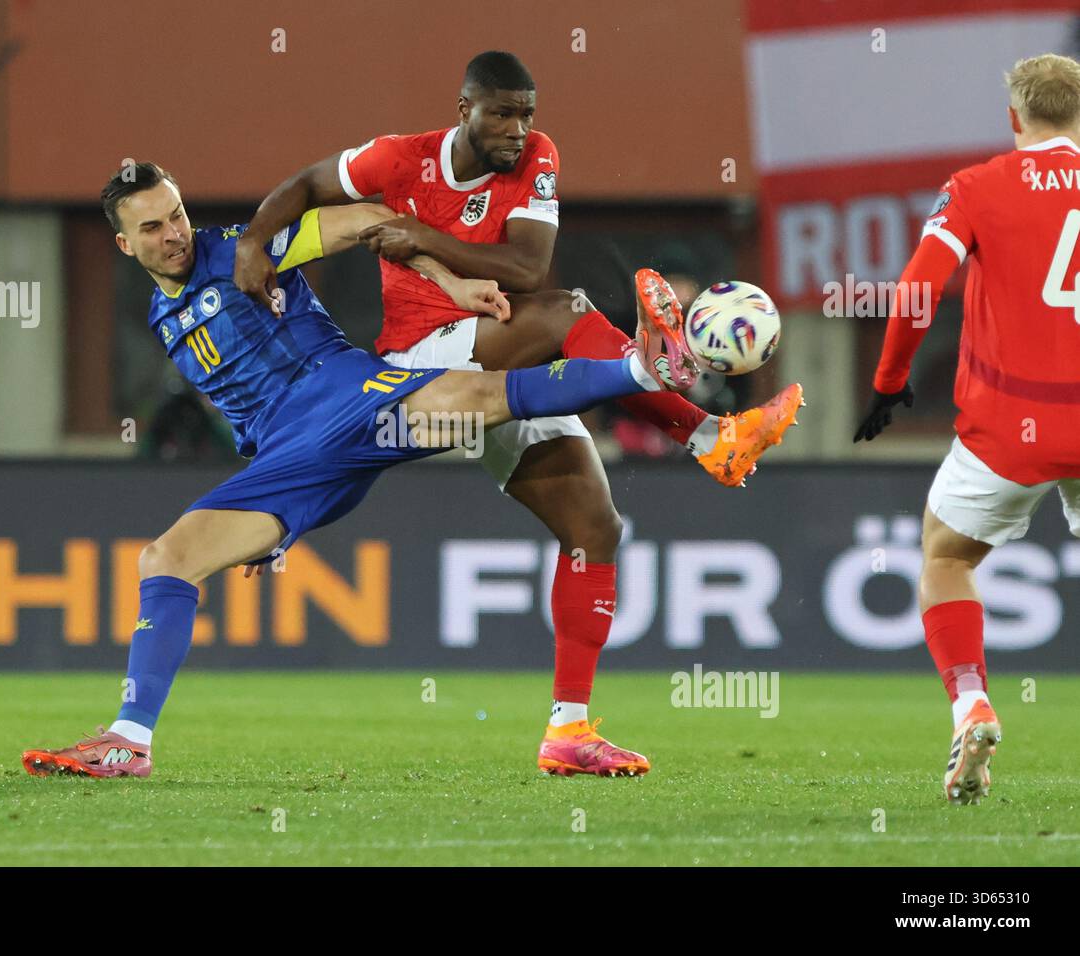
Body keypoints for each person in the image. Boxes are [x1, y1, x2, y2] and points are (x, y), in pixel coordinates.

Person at [22, 162, 692, 778]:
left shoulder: (239, 249)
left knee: (478, 395)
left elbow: (370, 219)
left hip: (348, 396)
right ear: (123, 244)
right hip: (289, 458)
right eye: (153, 226)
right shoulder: (161, 316)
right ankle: (129, 740)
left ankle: (642, 368)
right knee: (165, 559)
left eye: (176, 214)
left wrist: (451, 278)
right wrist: (278, 514)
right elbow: (243, 406)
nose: (174, 234)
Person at [234, 51, 803, 773]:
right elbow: (308, 184)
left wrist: (424, 239)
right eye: (501, 113)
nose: (517, 129)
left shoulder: (537, 158)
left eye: (527, 113)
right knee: (570, 314)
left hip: (500, 361)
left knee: (595, 529)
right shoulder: (397, 159)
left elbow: (526, 266)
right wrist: (254, 240)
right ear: (464, 108)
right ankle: (706, 430)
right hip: (422, 361)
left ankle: (569, 730)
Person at [855, 53, 1080, 804]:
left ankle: (971, 703)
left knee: (946, 557)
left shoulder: (977, 187)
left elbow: (917, 287)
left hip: (1010, 426)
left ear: (1015, 118)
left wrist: (889, 384)